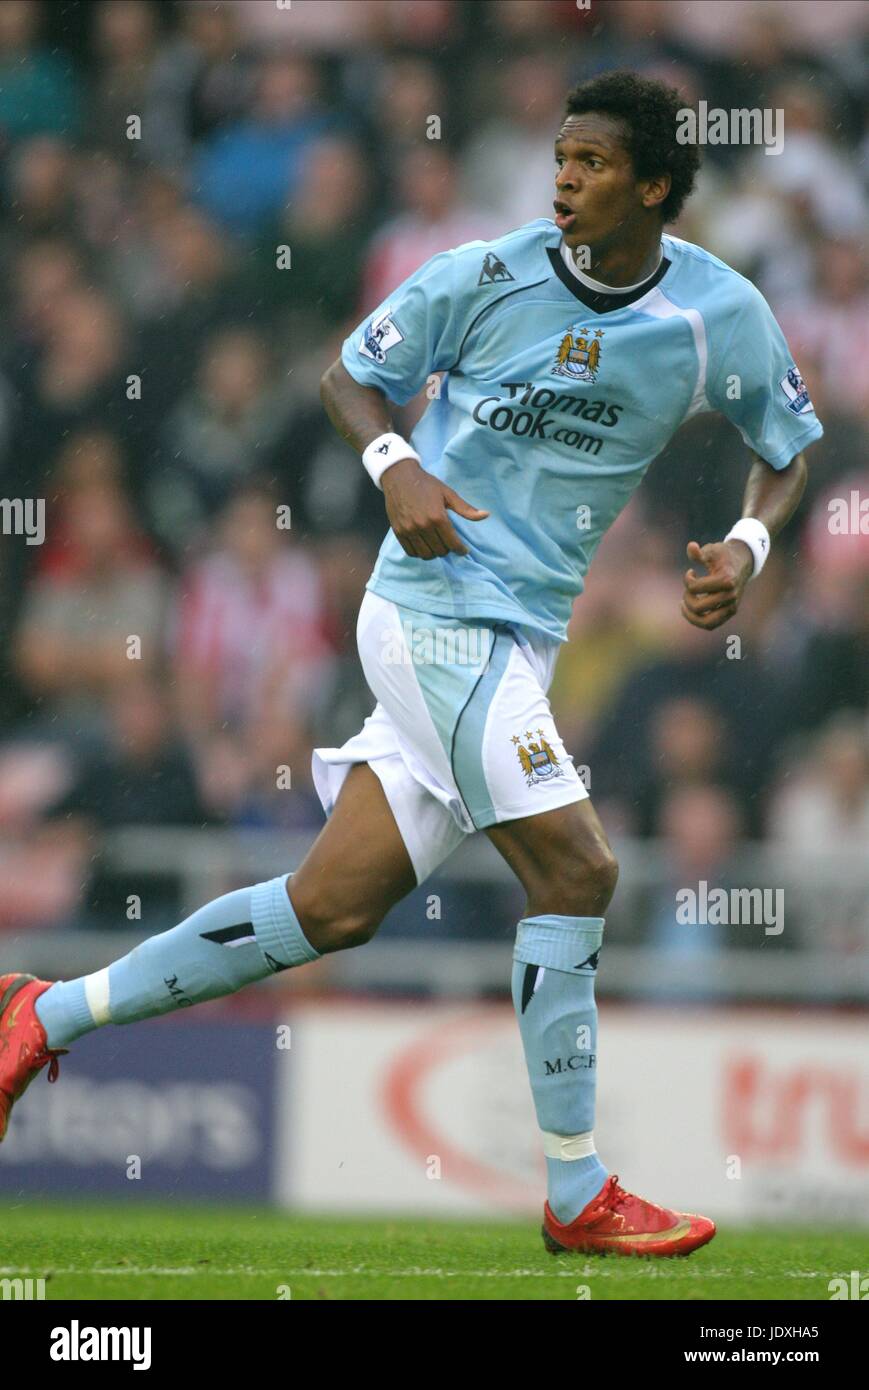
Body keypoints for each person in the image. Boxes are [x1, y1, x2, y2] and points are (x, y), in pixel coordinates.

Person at [1, 71, 821, 1258]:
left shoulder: (715, 315)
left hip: (519, 638)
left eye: (590, 165)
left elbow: (785, 448)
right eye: (557, 159)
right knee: (578, 871)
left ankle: (47, 1010)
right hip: (430, 610)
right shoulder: (486, 274)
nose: (562, 181)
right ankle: (577, 1189)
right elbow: (347, 374)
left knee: (331, 906)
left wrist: (746, 544)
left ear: (653, 186)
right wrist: (393, 462)